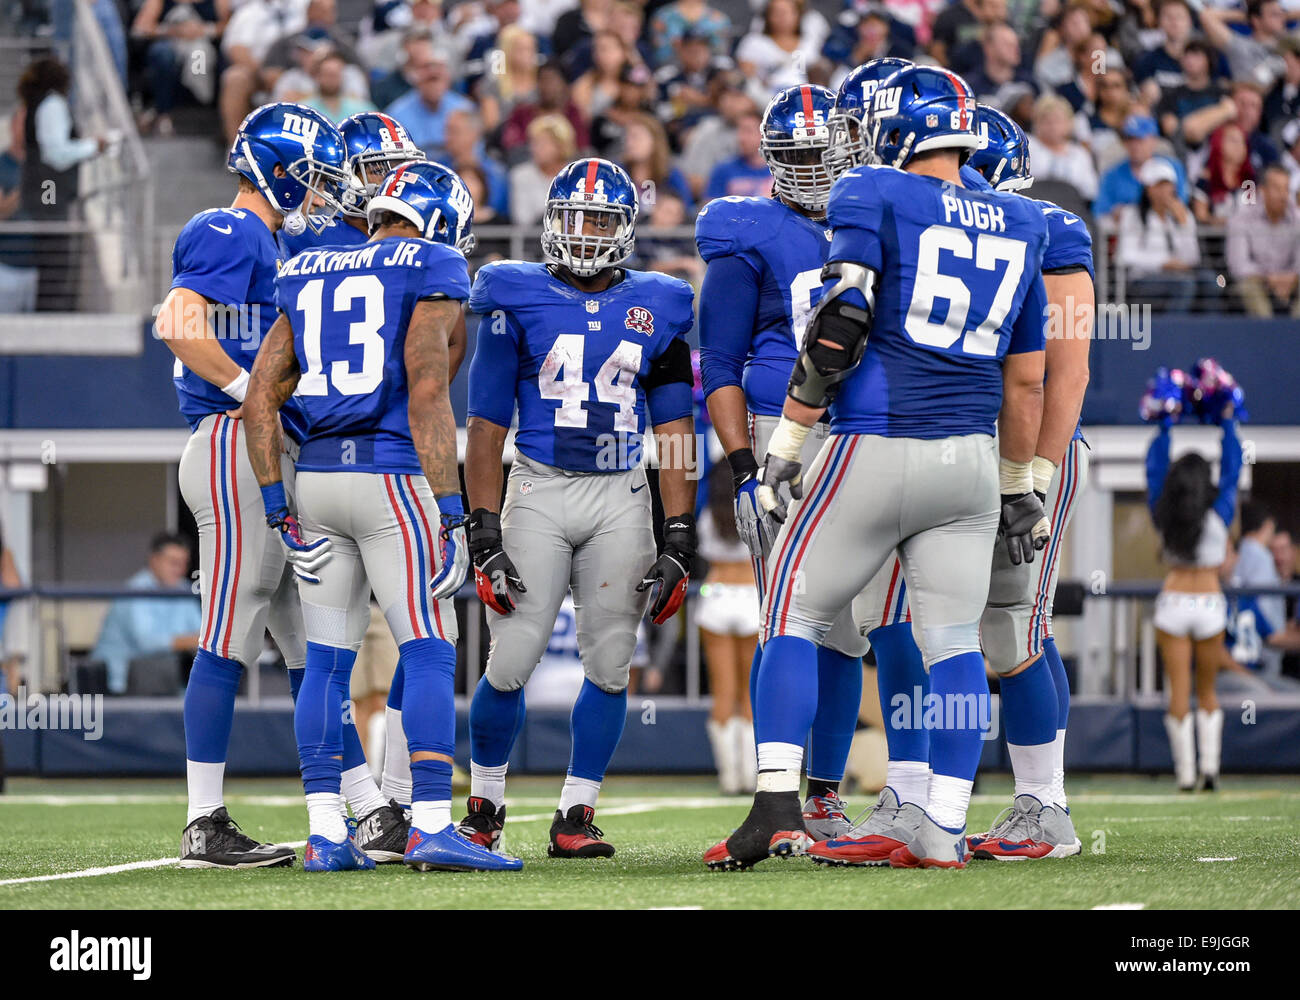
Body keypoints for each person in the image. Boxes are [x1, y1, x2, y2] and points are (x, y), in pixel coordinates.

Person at [705, 66, 1051, 871]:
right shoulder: (1024, 219)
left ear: (895, 130)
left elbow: (843, 320)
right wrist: (1019, 485)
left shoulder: (872, 192)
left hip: (875, 441)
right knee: (956, 641)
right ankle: (944, 825)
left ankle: (777, 807)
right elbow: (1027, 378)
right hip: (971, 458)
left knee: (791, 612)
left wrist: (786, 444)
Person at [243, 160, 514, 873]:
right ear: (441, 221)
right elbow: (428, 389)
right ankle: (427, 822)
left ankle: (327, 833)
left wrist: (277, 505)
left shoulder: (310, 263)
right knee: (427, 647)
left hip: (320, 481)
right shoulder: (434, 259)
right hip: (391, 477)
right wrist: (454, 510)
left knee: (327, 665)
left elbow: (259, 400)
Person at [458, 158, 697, 859]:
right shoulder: (511, 292)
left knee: (612, 658)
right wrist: (483, 524)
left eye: (599, 219)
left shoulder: (663, 302)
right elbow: (485, 425)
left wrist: (677, 532)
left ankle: (575, 813)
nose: (585, 232)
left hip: (621, 492)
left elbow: (676, 432)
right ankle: (485, 805)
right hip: (537, 485)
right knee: (513, 656)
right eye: (573, 217)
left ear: (625, 229)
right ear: (550, 222)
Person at [156, 102, 348, 870]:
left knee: (313, 639)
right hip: (237, 446)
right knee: (228, 635)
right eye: (315, 180)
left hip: (260, 448)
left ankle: (359, 806)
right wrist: (250, 393)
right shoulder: (232, 228)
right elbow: (176, 321)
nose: (323, 195)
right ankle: (204, 820)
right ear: (282, 171)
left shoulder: (263, 240)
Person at [696, 83, 873, 848]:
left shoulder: (875, 212)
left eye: (821, 150)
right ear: (770, 159)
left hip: (866, 433)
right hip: (781, 436)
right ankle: (778, 798)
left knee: (855, 630)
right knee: (791, 616)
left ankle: (829, 796)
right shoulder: (745, 229)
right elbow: (722, 362)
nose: (810, 166)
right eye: (795, 154)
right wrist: (742, 465)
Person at [965, 109, 1094, 861]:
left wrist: (1035, 478)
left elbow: (1065, 372)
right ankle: (1040, 799)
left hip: (1031, 453)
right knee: (1020, 624)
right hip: (981, 447)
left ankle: (1047, 809)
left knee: (1015, 622)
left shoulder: (1051, 230)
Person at [1146, 394, 1242, 791]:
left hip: (1172, 603)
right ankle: (1211, 770)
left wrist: (1164, 428)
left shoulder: (1162, 509)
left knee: (1178, 693)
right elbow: (1234, 467)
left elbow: (1153, 470)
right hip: (1209, 603)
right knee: (1208, 690)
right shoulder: (1221, 509)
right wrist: (1227, 424)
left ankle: (1185, 774)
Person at [697, 462, 760, 796]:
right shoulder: (754, 509)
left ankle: (729, 778)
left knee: (722, 691)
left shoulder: (709, 515)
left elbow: (704, 553)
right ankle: (749, 776)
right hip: (750, 595)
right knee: (749, 691)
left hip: (716, 596)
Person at [91, 533, 202, 695]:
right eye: (173, 562)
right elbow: (146, 643)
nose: (180, 569)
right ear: (154, 560)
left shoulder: (184, 588)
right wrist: (193, 640)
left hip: (163, 681)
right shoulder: (134, 589)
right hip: (116, 683)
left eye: (184, 563)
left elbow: (202, 635)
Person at [1116, 157, 1209, 312]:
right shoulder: (1132, 214)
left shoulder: (1183, 214)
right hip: (1143, 279)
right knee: (1184, 285)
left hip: (1179, 275)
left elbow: (1193, 257)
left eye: (1167, 184)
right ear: (1148, 189)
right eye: (1158, 185)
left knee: (1211, 281)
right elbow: (1125, 255)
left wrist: (1184, 225)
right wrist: (1162, 262)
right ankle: (1173, 331)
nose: (1164, 191)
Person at [132, 0, 231, 135]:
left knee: (199, 56)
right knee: (162, 53)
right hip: (171, 44)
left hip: (201, 46)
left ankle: (200, 104)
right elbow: (141, 27)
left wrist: (204, 30)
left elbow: (231, 25)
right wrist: (173, 31)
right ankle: (163, 113)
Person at [1228, 164, 1300, 316]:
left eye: (1286, 189)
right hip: (1256, 280)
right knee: (1249, 287)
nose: (1282, 195)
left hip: (1290, 279)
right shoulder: (1242, 218)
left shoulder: (1297, 219)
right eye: (1277, 188)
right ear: (1263, 191)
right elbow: (1238, 265)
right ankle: (1266, 335)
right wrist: (1269, 277)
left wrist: (1291, 277)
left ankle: (1295, 335)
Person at [383, 43, 474, 159]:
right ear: (413, 75)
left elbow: (476, 158)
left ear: (448, 74)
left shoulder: (465, 109)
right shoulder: (395, 117)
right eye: (425, 67)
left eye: (439, 66)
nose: (433, 72)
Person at [1094, 113, 1188, 219]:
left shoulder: (1172, 168)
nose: (1134, 145)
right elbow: (1099, 213)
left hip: (1164, 230)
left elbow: (1182, 204)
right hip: (1125, 232)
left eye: (1140, 139)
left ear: (1154, 140)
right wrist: (1114, 213)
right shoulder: (1112, 175)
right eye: (1130, 139)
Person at [508, 113, 577, 226]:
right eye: (534, 142)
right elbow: (522, 220)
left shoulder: (575, 176)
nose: (536, 148)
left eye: (544, 143)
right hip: (533, 240)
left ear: (561, 146)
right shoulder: (520, 175)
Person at [1028, 92, 1098, 200]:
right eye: (1047, 121)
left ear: (1069, 123)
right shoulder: (1027, 146)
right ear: (1036, 122)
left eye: (1057, 121)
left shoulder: (1079, 153)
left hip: (1070, 209)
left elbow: (1091, 191)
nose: (1052, 126)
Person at [704, 108, 773, 201]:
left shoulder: (780, 170)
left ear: (764, 134)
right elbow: (710, 209)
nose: (741, 138)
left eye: (748, 131)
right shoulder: (723, 169)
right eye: (739, 131)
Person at [1193, 122, 1255, 221]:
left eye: (1243, 141)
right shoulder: (1206, 179)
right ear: (1219, 143)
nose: (1239, 146)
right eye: (1233, 141)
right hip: (1216, 235)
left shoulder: (1249, 180)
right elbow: (1201, 215)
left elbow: (1252, 213)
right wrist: (1224, 222)